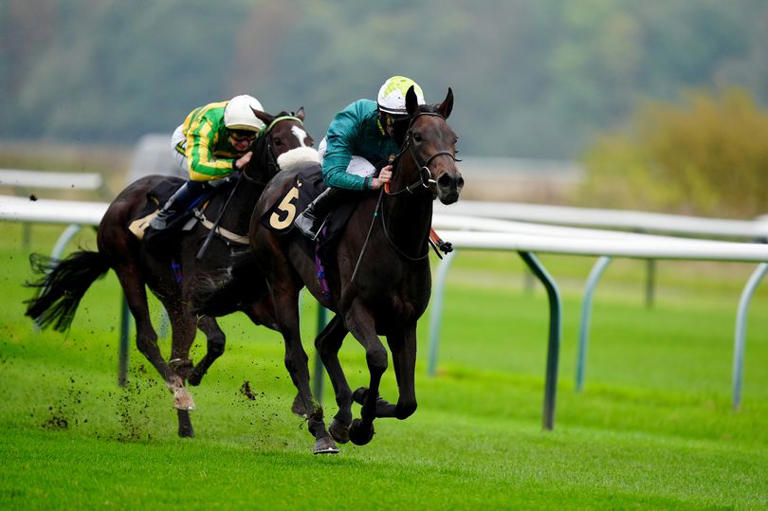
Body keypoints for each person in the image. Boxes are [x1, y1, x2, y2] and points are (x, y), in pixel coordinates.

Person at [293, 76, 452, 253]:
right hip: (347, 156)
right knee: (370, 171)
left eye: (407, 120)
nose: (402, 128)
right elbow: (332, 175)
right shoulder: (353, 117)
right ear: (381, 114)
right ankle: (312, 212)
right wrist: (372, 182)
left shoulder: (410, 128)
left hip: (378, 157)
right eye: (397, 121)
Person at [149, 95, 266, 231]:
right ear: (227, 127)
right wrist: (234, 165)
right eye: (239, 135)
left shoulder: (261, 127)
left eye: (251, 136)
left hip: (221, 151)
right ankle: (168, 211)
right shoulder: (207, 123)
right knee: (213, 178)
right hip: (189, 142)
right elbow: (198, 170)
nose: (245, 143)